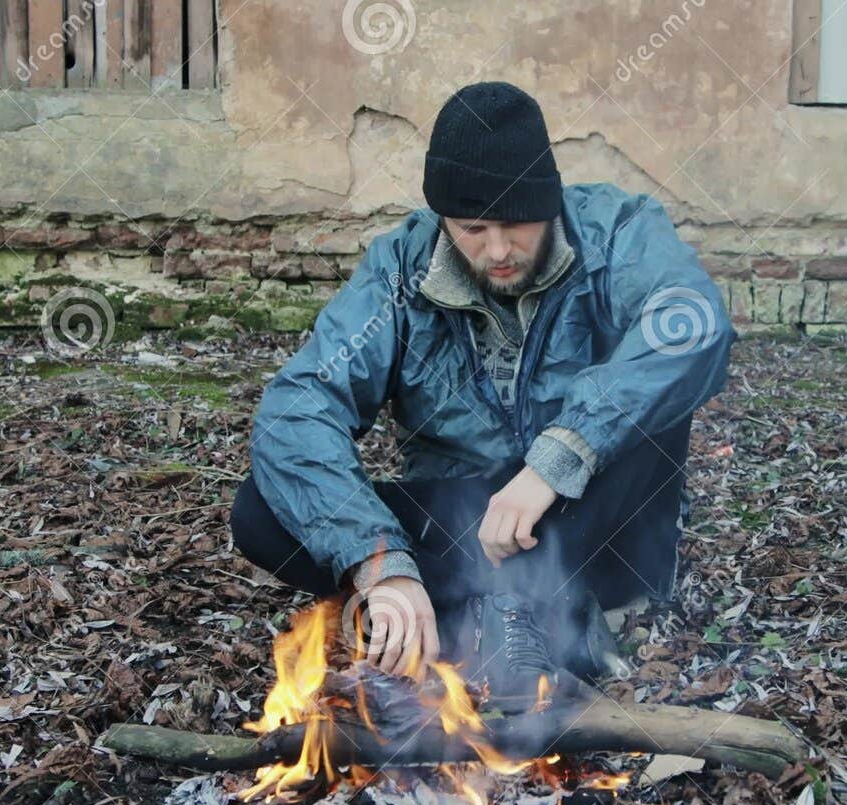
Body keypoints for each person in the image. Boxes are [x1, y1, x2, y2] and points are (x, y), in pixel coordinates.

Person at [231, 81, 733, 710]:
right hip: (467, 526)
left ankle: (502, 607)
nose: (498, 251)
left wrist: (558, 457)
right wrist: (379, 560)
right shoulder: (396, 272)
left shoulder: (617, 232)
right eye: (474, 228)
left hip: (594, 524)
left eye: (517, 224)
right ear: (444, 219)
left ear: (549, 202)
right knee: (259, 510)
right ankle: (502, 606)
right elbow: (298, 409)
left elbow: (694, 323)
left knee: (659, 399)